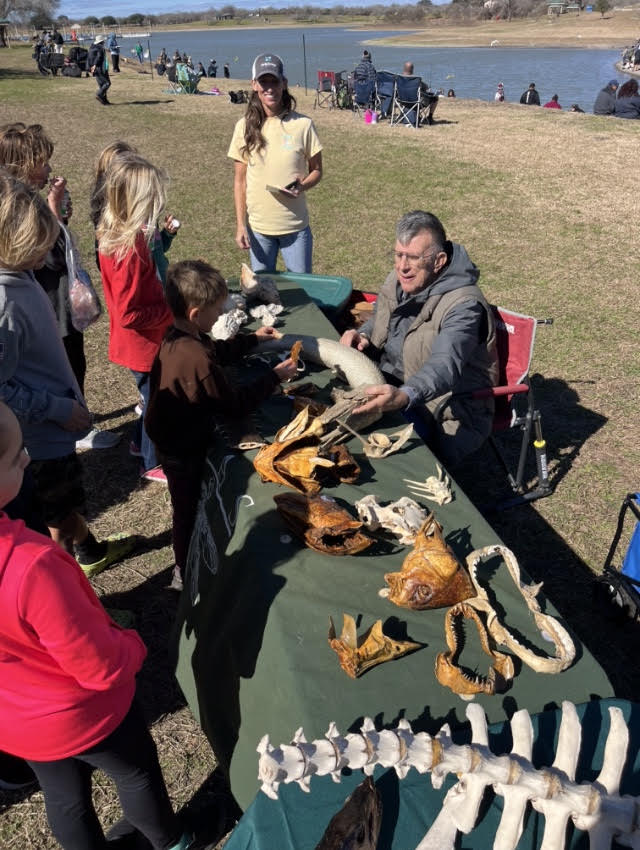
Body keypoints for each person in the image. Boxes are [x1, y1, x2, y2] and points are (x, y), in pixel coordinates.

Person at [0, 401, 193, 850]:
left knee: (64, 797)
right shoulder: (34, 566)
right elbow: (99, 666)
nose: (27, 458)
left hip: (18, 721)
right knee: (136, 772)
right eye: (13, 457)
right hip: (83, 713)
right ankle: (171, 840)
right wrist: (133, 645)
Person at [0, 171, 134, 572]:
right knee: (54, 522)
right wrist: (56, 409)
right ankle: (75, 593)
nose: (47, 255)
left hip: (54, 435)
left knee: (67, 504)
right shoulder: (5, 304)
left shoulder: (19, 274)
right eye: (38, 247)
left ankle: (89, 550)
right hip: (37, 442)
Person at [145, 260, 298, 591]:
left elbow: (215, 351)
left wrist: (252, 340)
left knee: (187, 503)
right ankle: (185, 571)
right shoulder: (196, 359)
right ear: (197, 312)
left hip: (171, 437)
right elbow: (234, 406)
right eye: (216, 311)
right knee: (186, 509)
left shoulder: (180, 336)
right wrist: (274, 377)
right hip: (183, 448)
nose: (219, 316)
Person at [339, 210, 498, 468]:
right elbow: (379, 318)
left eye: (412, 258)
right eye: (398, 255)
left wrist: (404, 396)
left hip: (439, 407)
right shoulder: (399, 280)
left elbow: (445, 365)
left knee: (376, 459)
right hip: (387, 381)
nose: (402, 266)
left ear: (439, 260)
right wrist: (364, 335)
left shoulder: (464, 306)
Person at [0, 122, 121, 451]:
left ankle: (75, 414)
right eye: (42, 162)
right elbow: (39, 256)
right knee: (64, 359)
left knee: (72, 359)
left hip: (53, 296)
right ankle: (72, 424)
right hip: (48, 300)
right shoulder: (16, 212)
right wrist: (53, 215)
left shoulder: (28, 200)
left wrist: (59, 217)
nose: (49, 168)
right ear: (21, 166)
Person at [97, 155, 173, 483]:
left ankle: (137, 443)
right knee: (154, 401)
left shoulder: (119, 238)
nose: (158, 204)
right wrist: (171, 310)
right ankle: (152, 462)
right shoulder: (130, 249)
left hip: (140, 342)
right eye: (153, 198)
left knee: (148, 395)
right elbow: (130, 313)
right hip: (142, 345)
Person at [228, 52, 323, 274]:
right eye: (263, 82)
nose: (269, 88)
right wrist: (241, 225)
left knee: (302, 294)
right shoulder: (243, 127)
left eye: (274, 81)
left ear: (284, 83)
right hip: (259, 231)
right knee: (262, 295)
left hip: (296, 229)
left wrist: (303, 185)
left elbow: (317, 170)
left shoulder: (303, 125)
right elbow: (240, 181)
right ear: (254, 85)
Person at [87, 33, 110, 105]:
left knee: (101, 85)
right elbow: (99, 57)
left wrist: (90, 67)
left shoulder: (91, 47)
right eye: (103, 41)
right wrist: (95, 65)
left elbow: (88, 58)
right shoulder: (100, 48)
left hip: (93, 69)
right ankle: (99, 94)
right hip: (100, 68)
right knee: (107, 83)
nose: (104, 42)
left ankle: (104, 100)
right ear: (101, 42)